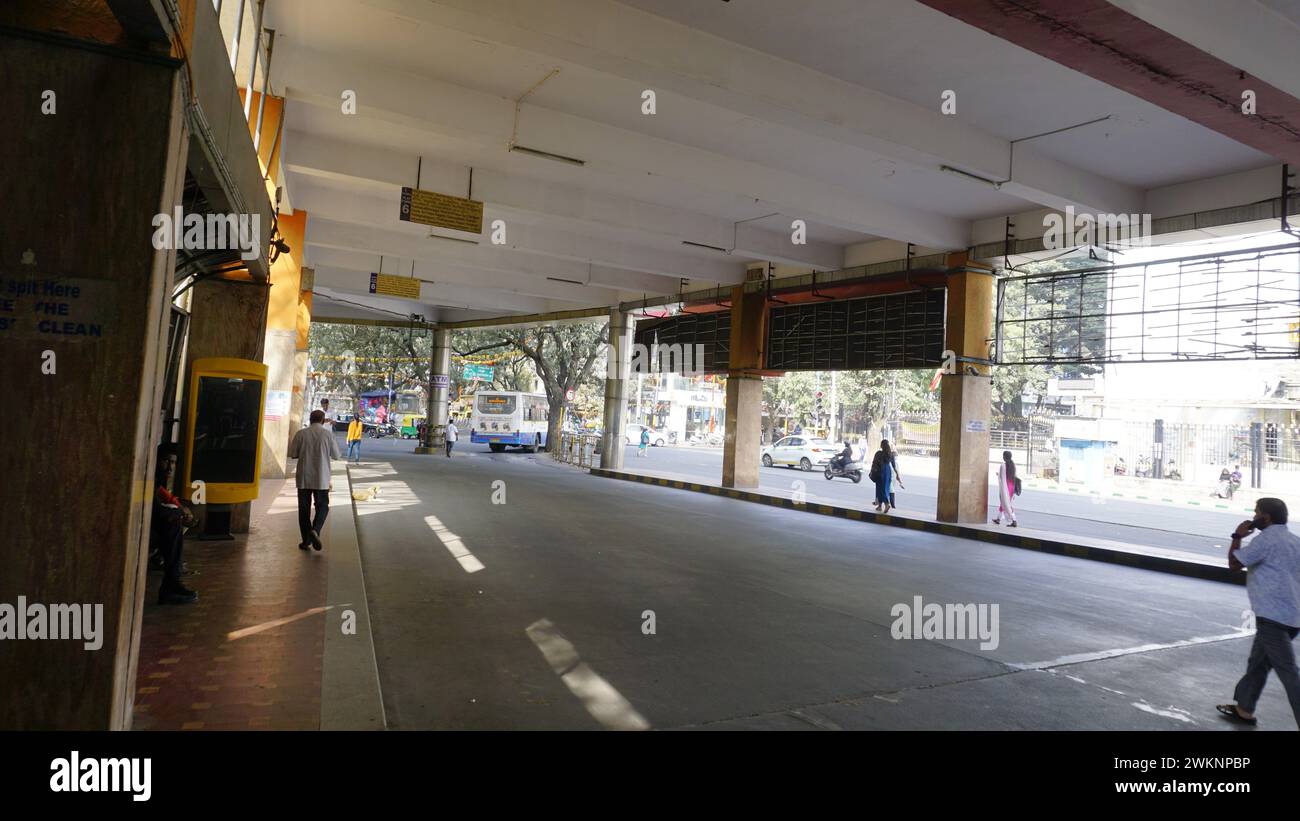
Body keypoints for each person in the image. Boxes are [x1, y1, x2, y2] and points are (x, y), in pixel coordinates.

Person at [1217, 497, 1300, 728]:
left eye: (1256, 513)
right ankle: (1244, 708)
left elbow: (1234, 565)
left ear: (1266, 517)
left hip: (1271, 618)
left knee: (1289, 672)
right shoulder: (1295, 542)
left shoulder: (1265, 541)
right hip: (1292, 617)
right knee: (1258, 663)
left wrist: (1237, 537)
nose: (1253, 517)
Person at [288, 409, 341, 551]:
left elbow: (293, 454)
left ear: (310, 420)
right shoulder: (328, 435)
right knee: (322, 506)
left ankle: (306, 541)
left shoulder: (301, 434)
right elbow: (336, 455)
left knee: (303, 509)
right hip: (321, 478)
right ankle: (315, 530)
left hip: (304, 477)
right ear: (323, 421)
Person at [152, 443, 198, 604]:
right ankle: (171, 583)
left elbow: (167, 500)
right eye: (166, 461)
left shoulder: (157, 483)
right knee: (172, 526)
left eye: (173, 463)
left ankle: (172, 581)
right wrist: (179, 513)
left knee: (174, 522)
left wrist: (182, 511)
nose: (170, 467)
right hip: (149, 531)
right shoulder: (149, 479)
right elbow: (157, 510)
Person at [871, 440, 902, 513]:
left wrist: (872, 471)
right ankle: (879, 506)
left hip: (880, 471)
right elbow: (894, 466)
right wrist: (897, 475)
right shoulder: (890, 454)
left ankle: (887, 504)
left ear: (881, 445)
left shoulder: (878, 453)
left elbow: (874, 463)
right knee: (885, 488)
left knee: (880, 488)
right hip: (888, 471)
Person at [992, 450, 1018, 527]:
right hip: (1011, 487)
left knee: (1007, 504)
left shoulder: (1003, 465)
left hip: (1005, 487)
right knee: (1004, 503)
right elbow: (1013, 476)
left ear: (1005, 457)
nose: (1003, 457)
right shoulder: (1013, 465)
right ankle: (998, 519)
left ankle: (1014, 521)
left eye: (1003, 456)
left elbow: (1001, 477)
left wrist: (998, 474)